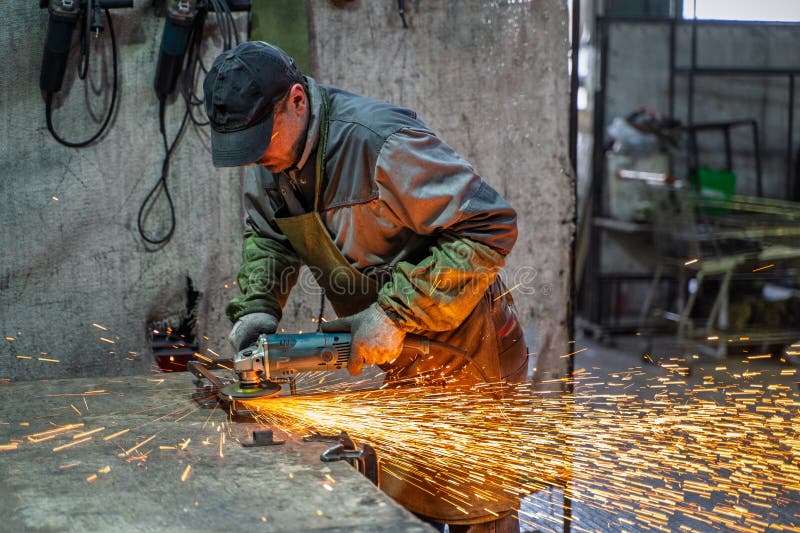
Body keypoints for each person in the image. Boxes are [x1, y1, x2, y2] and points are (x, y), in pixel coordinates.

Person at [204, 41, 528, 532]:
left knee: (474, 510)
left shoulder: (380, 142)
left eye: (261, 139)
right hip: (407, 364)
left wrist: (396, 312)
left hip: (472, 356)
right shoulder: (271, 162)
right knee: (407, 510)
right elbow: (271, 236)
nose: (258, 157)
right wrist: (256, 310)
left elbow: (489, 225)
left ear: (296, 100)